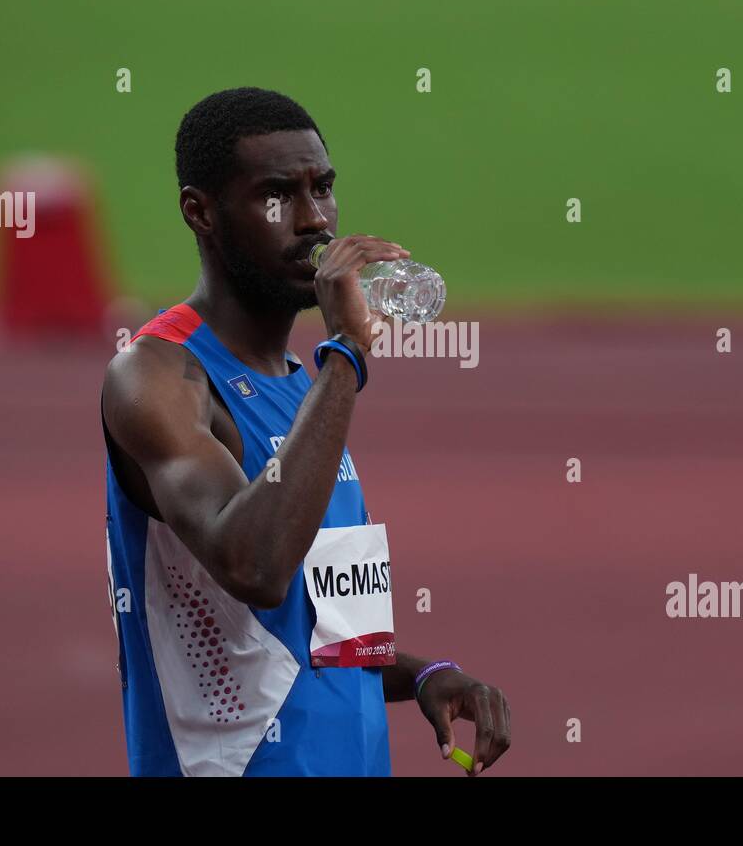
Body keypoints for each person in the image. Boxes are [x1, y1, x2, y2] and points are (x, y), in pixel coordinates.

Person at [101, 87, 511, 776]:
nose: (315, 220)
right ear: (199, 212)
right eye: (276, 196)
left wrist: (417, 675)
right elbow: (254, 567)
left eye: (322, 188)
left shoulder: (303, 383)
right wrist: (346, 354)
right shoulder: (157, 377)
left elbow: (305, 626)